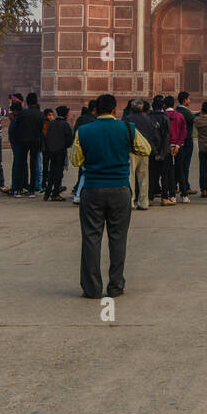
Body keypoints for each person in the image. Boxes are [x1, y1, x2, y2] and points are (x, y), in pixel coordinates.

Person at [71, 92, 151, 298]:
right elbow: (146, 150)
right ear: (115, 109)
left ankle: (92, 288)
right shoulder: (126, 128)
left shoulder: (84, 130)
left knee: (91, 237)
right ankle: (115, 285)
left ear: (95, 110)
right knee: (117, 238)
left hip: (93, 188)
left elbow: (76, 161)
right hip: (119, 189)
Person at [127, 100, 157, 209]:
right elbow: (153, 134)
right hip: (144, 151)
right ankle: (143, 202)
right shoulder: (147, 119)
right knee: (143, 177)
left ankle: (130, 201)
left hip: (131, 151)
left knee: (131, 176)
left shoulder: (128, 119)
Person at [13, 92, 43, 195]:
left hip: (23, 141)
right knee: (33, 165)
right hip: (35, 140)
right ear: (36, 101)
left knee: (21, 164)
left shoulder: (23, 113)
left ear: (27, 102)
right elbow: (41, 130)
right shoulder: (40, 114)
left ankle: (19, 189)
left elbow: (16, 128)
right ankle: (32, 190)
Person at [43, 104, 74, 201]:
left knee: (52, 171)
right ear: (65, 114)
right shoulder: (65, 124)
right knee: (59, 173)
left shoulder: (52, 123)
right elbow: (69, 139)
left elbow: (47, 137)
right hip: (61, 151)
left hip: (52, 151)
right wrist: (64, 145)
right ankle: (55, 193)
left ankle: (47, 193)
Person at [71, 100, 97, 204]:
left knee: (82, 172)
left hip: (80, 149)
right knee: (87, 173)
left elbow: (75, 133)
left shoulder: (81, 119)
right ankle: (79, 194)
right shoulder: (94, 121)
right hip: (90, 150)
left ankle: (80, 192)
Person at [148, 97, 172, 205]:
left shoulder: (147, 118)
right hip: (164, 151)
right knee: (164, 175)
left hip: (151, 151)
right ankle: (164, 198)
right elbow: (166, 137)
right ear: (163, 106)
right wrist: (162, 153)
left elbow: (148, 137)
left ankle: (150, 198)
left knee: (152, 175)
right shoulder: (165, 118)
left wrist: (154, 151)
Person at [177, 92, 196, 194]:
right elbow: (194, 120)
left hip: (178, 140)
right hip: (187, 140)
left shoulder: (177, 110)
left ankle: (178, 185)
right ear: (184, 100)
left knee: (178, 163)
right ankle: (185, 186)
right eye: (188, 99)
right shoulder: (185, 112)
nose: (189, 100)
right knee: (185, 164)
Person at [194, 101, 207, 198]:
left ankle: (204, 190)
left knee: (203, 170)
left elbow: (196, 116)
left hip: (202, 147)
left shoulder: (197, 120)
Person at [7, 100, 24, 195]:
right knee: (20, 165)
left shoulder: (17, 119)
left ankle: (16, 188)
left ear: (16, 111)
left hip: (18, 144)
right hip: (19, 144)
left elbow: (14, 132)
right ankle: (19, 187)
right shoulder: (19, 118)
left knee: (17, 166)